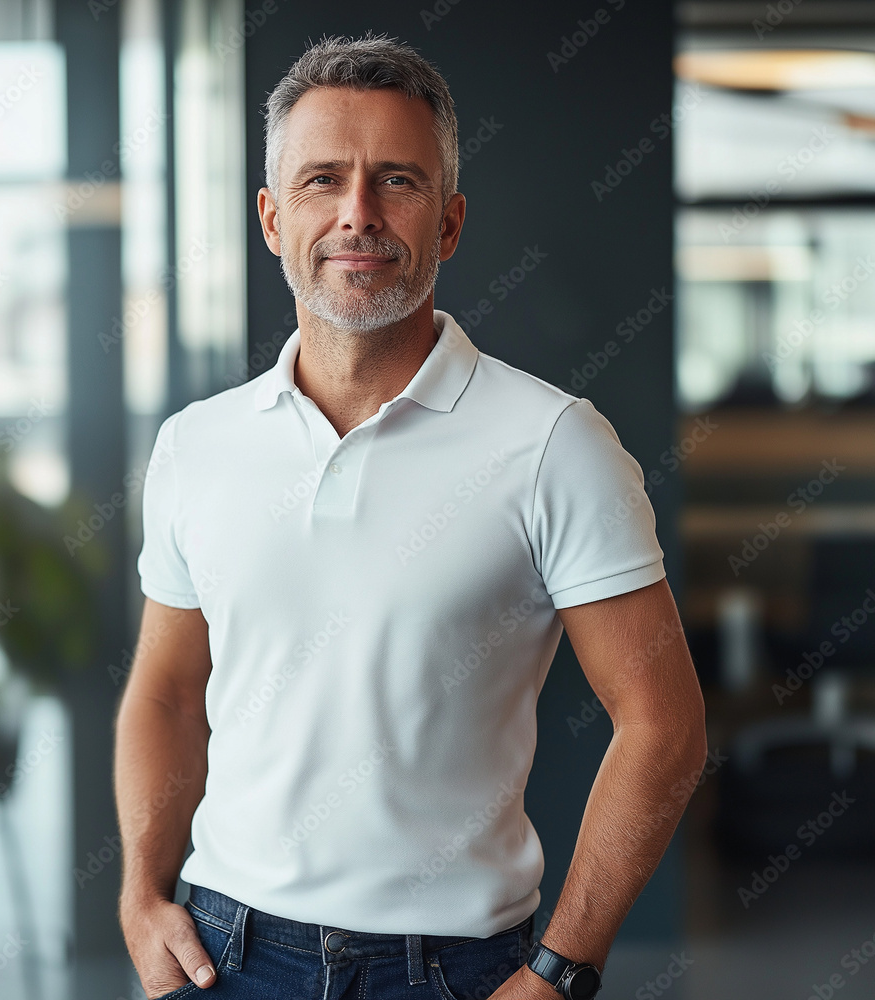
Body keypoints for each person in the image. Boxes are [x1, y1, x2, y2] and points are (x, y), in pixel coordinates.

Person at [114, 32, 707, 1000]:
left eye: (396, 180)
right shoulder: (196, 444)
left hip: (454, 968)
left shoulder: (555, 441)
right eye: (321, 181)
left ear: (450, 222)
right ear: (270, 218)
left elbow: (662, 724)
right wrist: (141, 896)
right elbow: (167, 695)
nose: (358, 214)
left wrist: (560, 972)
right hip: (223, 953)